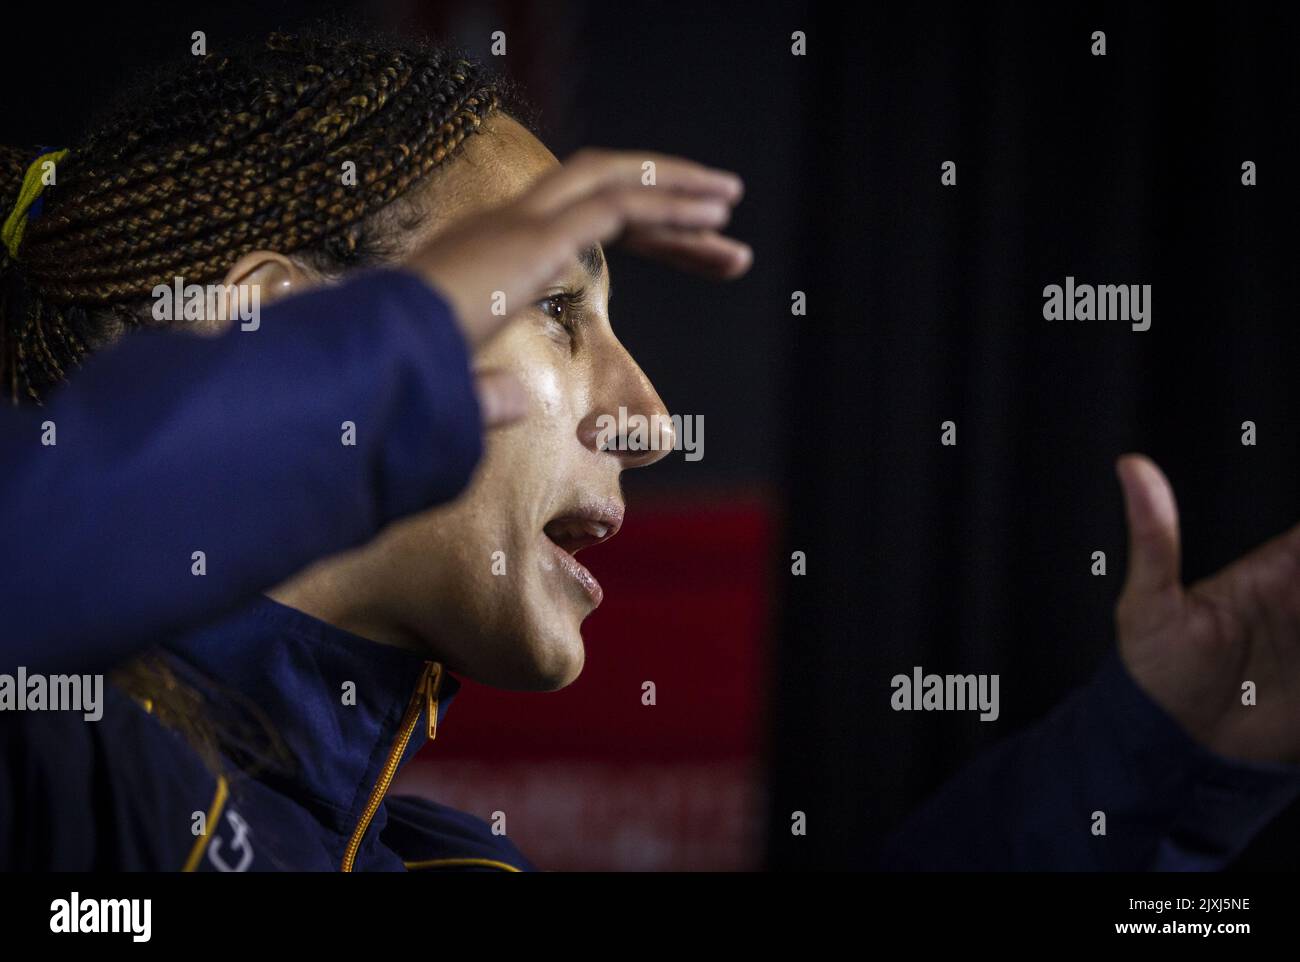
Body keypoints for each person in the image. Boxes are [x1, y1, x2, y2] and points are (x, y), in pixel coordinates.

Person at [1, 30, 1297, 872]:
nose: (651, 417)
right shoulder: (55, 765)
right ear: (284, 321)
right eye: (557, 308)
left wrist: (1161, 751)